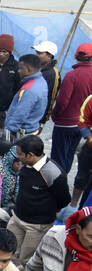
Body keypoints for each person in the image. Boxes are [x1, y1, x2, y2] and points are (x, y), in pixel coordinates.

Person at [8, 135, 71, 267]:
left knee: (28, 261)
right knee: (6, 251)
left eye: (20, 154)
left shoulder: (53, 173)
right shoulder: (24, 164)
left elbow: (64, 199)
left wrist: (45, 209)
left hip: (37, 226)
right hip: (17, 217)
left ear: (30, 155)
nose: (17, 157)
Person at [52, 44, 92, 176]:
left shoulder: (72, 76)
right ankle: (62, 182)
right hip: (82, 125)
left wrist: (55, 115)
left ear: (76, 57)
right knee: (69, 156)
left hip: (65, 123)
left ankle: (56, 187)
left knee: (58, 159)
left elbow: (63, 101)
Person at [3, 54, 49, 143]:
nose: (18, 71)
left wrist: (9, 131)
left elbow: (20, 113)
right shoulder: (41, 81)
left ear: (29, 70)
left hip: (21, 135)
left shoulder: (29, 89)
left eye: (21, 68)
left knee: (9, 156)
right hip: (32, 128)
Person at [33, 40, 61, 131]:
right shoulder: (35, 68)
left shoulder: (53, 74)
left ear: (49, 56)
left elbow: (50, 99)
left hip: (35, 118)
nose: (36, 55)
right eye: (36, 52)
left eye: (40, 53)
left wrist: (42, 122)